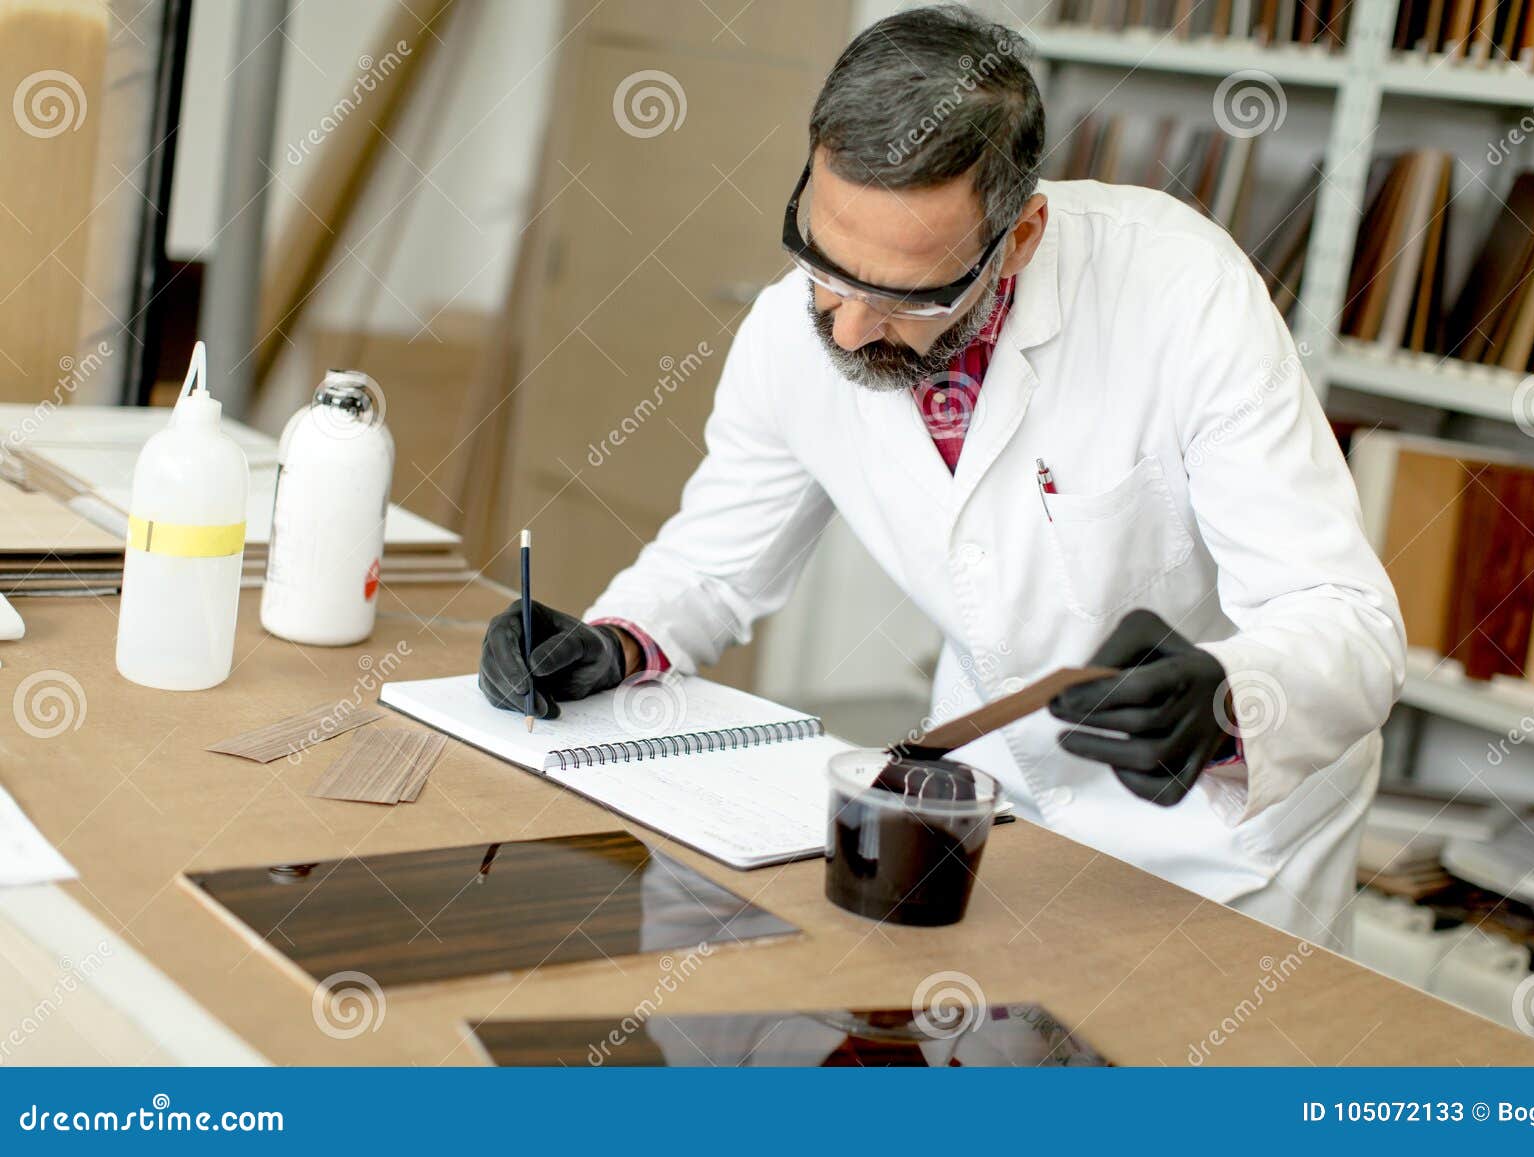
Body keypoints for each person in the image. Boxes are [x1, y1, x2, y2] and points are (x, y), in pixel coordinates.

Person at [479, 5, 1404, 949]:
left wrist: (1228, 695)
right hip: (987, 813)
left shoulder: (1182, 293)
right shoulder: (785, 332)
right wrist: (612, 642)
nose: (844, 329)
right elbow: (716, 563)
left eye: (906, 296)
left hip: (1216, 849)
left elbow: (1352, 622)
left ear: (1023, 235)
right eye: (824, 267)